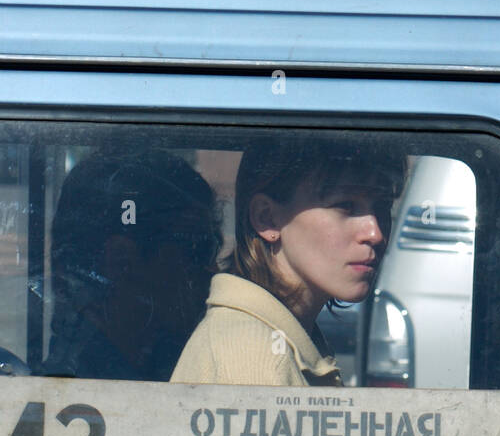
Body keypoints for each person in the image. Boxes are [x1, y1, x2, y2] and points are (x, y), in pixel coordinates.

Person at [171, 135, 407, 387]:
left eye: (382, 207)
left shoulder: (274, 339)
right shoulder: (255, 355)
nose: (375, 233)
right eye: (346, 206)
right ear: (267, 218)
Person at [44, 149, 221, 381]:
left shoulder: (159, 360)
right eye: (198, 250)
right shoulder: (84, 388)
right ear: (122, 261)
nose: (213, 273)